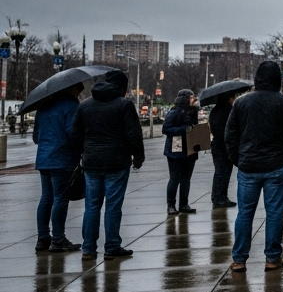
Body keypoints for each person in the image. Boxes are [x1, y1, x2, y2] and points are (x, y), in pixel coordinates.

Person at [226, 60, 283, 273]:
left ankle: (239, 259)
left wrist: (238, 159)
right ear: (278, 79)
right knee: (274, 213)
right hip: (276, 165)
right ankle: (272, 257)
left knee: (245, 213)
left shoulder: (242, 103)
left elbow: (230, 136)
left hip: (248, 165)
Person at [73, 70, 145, 259]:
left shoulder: (85, 105)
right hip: (117, 162)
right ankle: (112, 245)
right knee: (113, 206)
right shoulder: (124, 105)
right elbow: (134, 135)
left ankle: (88, 248)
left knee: (92, 206)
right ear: (123, 87)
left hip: (91, 162)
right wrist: (138, 157)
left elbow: (75, 135)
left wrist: (84, 152)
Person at [33, 83, 82, 252]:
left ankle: (42, 238)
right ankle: (58, 239)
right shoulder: (72, 106)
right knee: (61, 198)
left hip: (43, 158)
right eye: (78, 90)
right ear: (71, 89)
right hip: (62, 159)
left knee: (46, 197)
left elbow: (36, 137)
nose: (79, 94)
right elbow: (72, 133)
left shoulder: (43, 106)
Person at [161, 89, 201, 216]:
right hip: (176, 148)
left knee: (186, 178)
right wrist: (184, 129)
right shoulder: (175, 112)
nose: (193, 99)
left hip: (189, 148)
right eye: (191, 97)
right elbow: (166, 129)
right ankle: (171, 205)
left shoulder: (192, 112)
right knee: (175, 178)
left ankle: (184, 203)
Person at [207, 89, 239, 208]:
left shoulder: (215, 111)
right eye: (232, 97)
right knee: (223, 172)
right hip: (224, 146)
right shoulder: (228, 111)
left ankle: (220, 196)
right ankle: (219, 197)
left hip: (218, 145)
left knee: (221, 172)